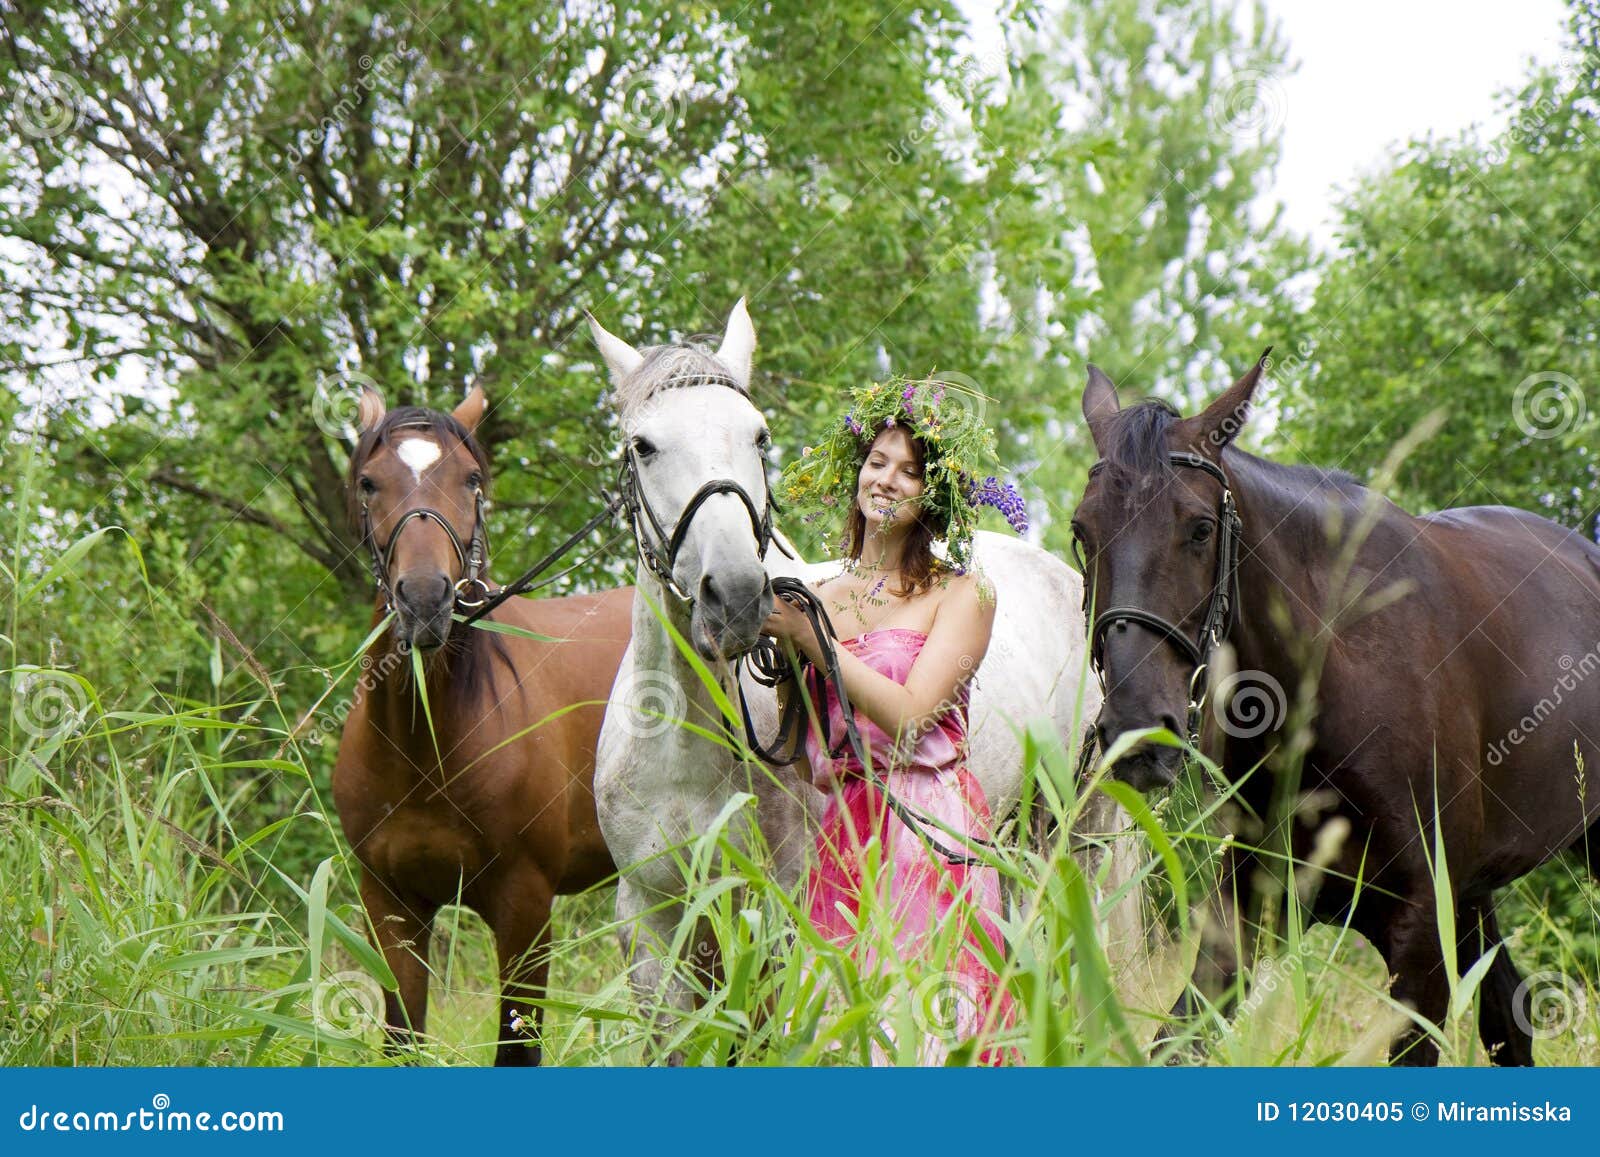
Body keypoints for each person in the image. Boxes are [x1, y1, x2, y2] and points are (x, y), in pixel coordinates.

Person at [762, 376, 1029, 1065]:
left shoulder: (965, 594)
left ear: (932, 493)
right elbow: (802, 758)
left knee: (931, 1031)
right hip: (843, 825)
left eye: (910, 471)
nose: (887, 479)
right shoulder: (817, 596)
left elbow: (911, 717)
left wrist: (814, 642)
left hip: (929, 823)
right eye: (877, 462)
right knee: (844, 1029)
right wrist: (786, 659)